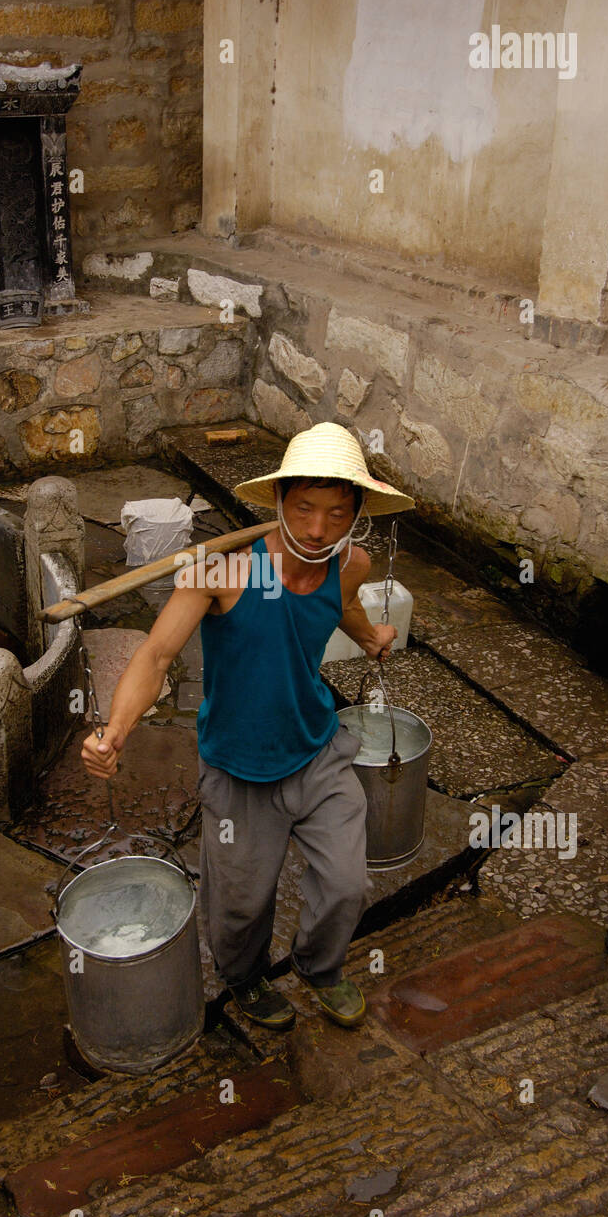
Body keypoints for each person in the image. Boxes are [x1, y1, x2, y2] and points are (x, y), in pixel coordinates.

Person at [81, 422, 414, 1030]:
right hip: (238, 767)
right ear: (280, 501)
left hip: (316, 751)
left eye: (337, 514)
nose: (318, 529)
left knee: (345, 884)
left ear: (357, 514)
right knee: (239, 906)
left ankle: (318, 969)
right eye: (305, 508)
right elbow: (156, 656)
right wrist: (115, 730)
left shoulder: (350, 563)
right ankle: (244, 980)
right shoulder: (224, 575)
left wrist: (371, 638)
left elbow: (343, 608)